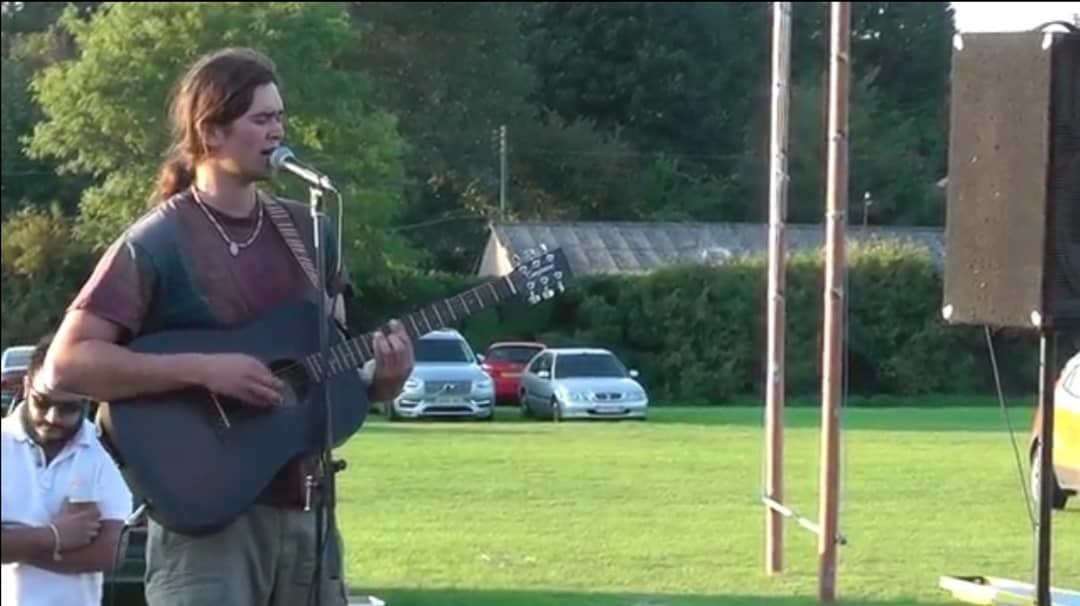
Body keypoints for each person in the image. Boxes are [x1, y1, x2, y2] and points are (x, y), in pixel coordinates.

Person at [35, 47, 414, 606]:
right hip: (207, 527)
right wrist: (206, 371)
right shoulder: (158, 241)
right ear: (210, 132)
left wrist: (384, 382)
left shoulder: (310, 233)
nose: (277, 131)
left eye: (280, 117)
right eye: (261, 119)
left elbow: (325, 376)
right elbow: (68, 363)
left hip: (308, 518)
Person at [1, 333, 134, 606]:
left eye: (68, 408)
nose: (52, 417)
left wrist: (15, 543)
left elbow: (109, 552)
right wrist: (56, 536)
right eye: (43, 402)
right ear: (26, 387)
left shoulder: (101, 453)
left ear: (86, 400)